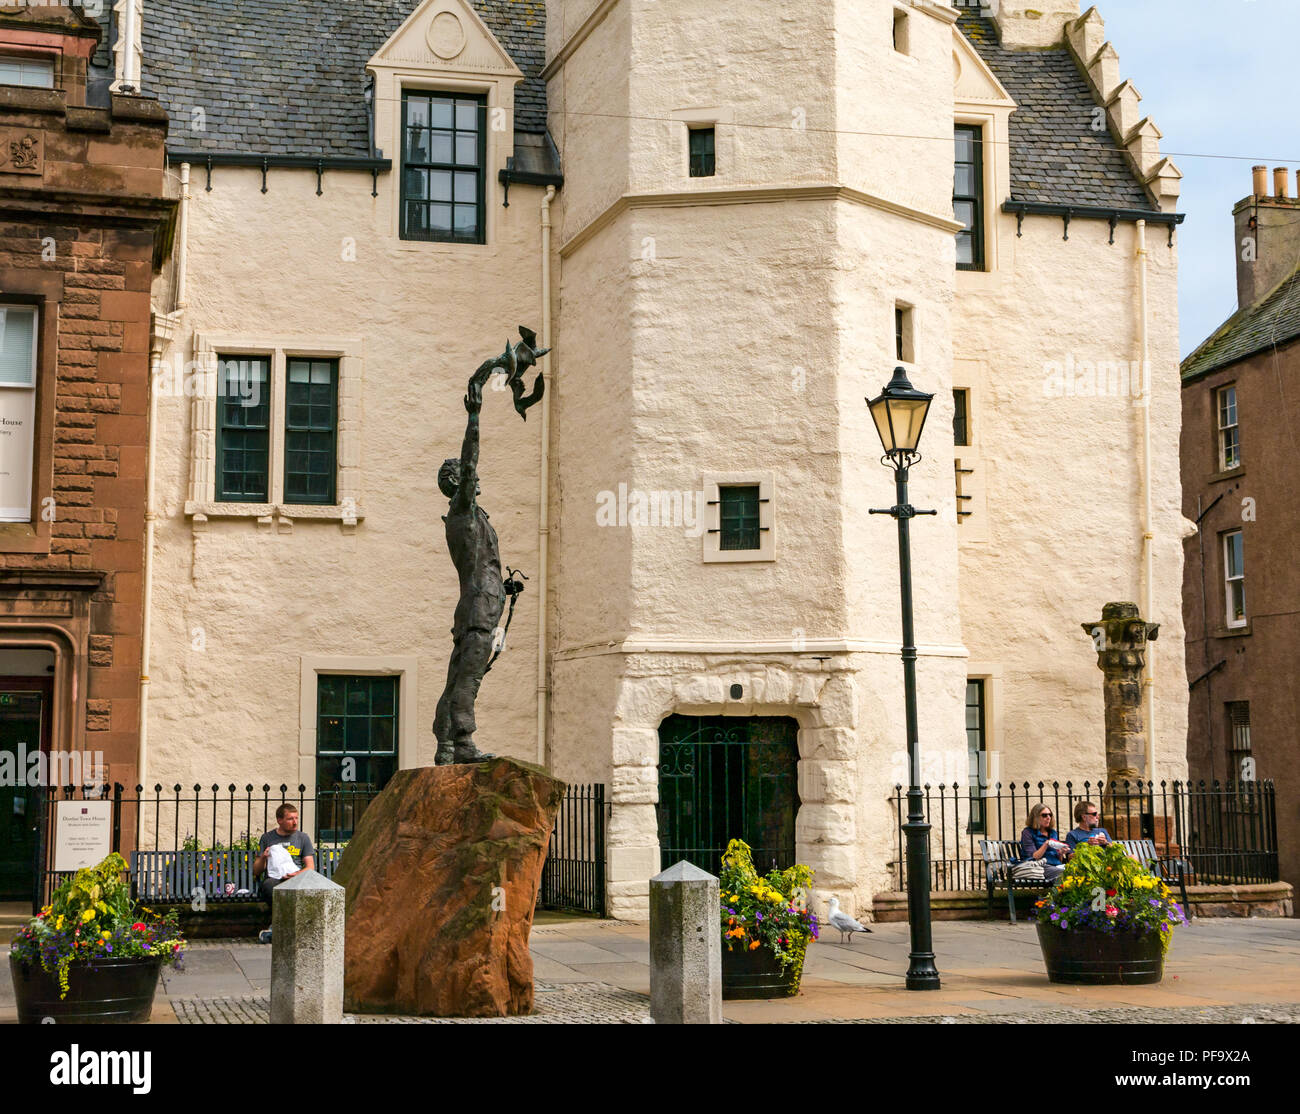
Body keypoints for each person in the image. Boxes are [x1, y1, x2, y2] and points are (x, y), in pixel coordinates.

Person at [252, 804, 315, 943]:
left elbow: (310, 867)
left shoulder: (303, 838)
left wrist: (296, 874)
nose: (295, 822)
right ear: (279, 820)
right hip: (275, 880)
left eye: (296, 818)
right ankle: (288, 929)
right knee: (269, 886)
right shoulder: (267, 838)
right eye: (290, 819)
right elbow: (256, 871)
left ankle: (277, 929)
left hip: (297, 879)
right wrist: (263, 857)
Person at [1019, 802, 1070, 882]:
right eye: (1044, 815)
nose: (1048, 817)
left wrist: (1061, 853)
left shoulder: (1052, 833)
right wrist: (1046, 844)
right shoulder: (1028, 833)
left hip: (1056, 866)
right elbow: (1034, 857)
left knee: (1077, 871)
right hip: (1039, 867)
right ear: (1035, 817)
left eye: (1050, 815)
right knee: (1066, 874)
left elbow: (1058, 860)